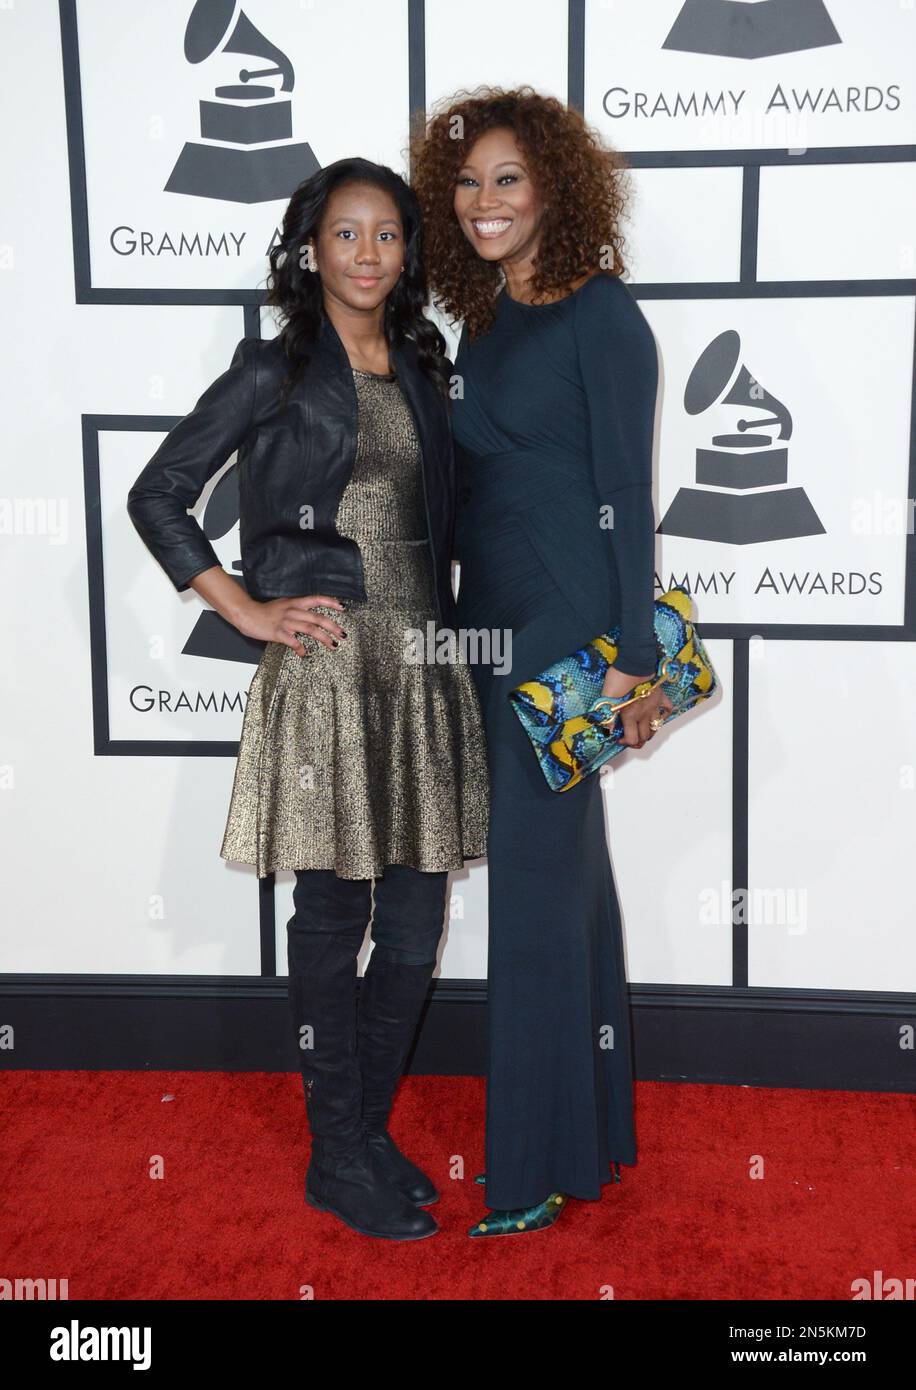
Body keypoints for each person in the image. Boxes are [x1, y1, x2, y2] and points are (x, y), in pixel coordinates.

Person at [127, 157, 489, 1242]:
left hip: (422, 669)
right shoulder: (271, 369)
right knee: (334, 916)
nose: (368, 254)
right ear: (310, 248)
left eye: (387, 235)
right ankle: (337, 1151)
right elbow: (160, 491)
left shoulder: (430, 367)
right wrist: (244, 607)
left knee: (417, 923)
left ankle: (365, 1132)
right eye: (346, 234)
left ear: (407, 251)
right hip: (328, 670)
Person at [412, 88, 672, 1237]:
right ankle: (590, 1134)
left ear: (555, 186)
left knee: (530, 891)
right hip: (492, 624)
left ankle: (525, 1167)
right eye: (466, 182)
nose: (483, 201)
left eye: (506, 178)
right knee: (564, 887)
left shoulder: (602, 317)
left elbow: (625, 497)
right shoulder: (487, 321)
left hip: (566, 636)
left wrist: (630, 663)